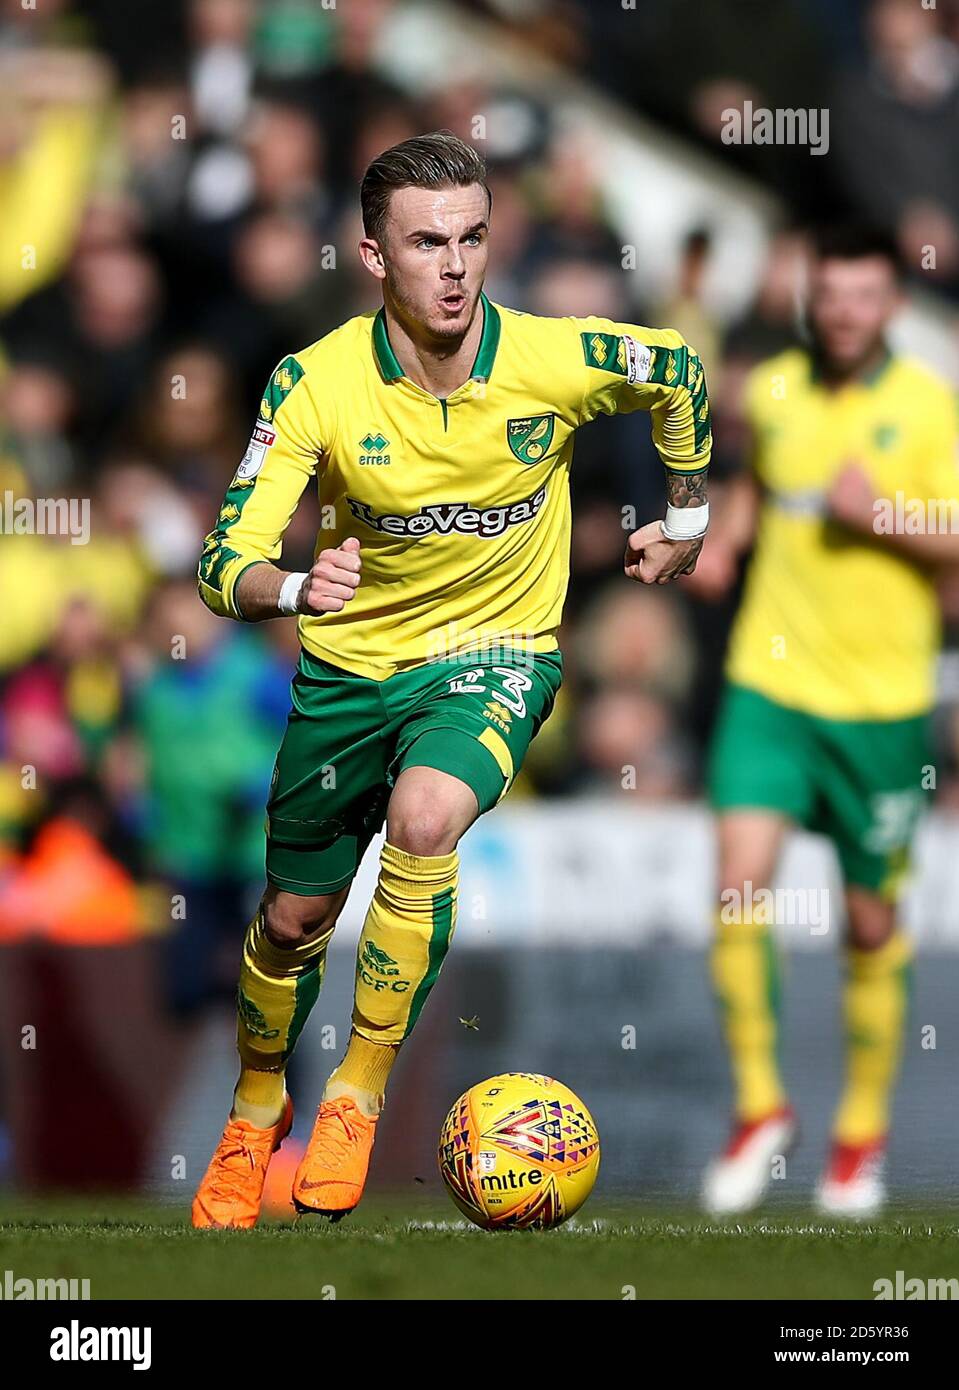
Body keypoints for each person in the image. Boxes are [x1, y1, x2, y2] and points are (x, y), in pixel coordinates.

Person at [192, 130, 711, 1229]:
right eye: (427, 241)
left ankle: (358, 1091)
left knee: (427, 819)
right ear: (373, 255)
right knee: (291, 920)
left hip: (494, 654)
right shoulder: (314, 384)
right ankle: (252, 1109)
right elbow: (216, 561)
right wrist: (290, 590)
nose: (455, 264)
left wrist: (690, 512)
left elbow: (676, 369)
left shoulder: (553, 358)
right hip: (348, 671)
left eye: (473, 236)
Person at [689, 225, 959, 1218]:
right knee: (734, 885)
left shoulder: (929, 408)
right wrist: (721, 544)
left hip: (881, 703)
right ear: (809, 295)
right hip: (768, 683)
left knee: (868, 919)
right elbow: (758, 492)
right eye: (828, 293)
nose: (842, 311)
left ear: (890, 303)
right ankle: (760, 1107)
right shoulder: (772, 391)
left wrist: (881, 516)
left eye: (861, 295)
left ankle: (856, 1139)